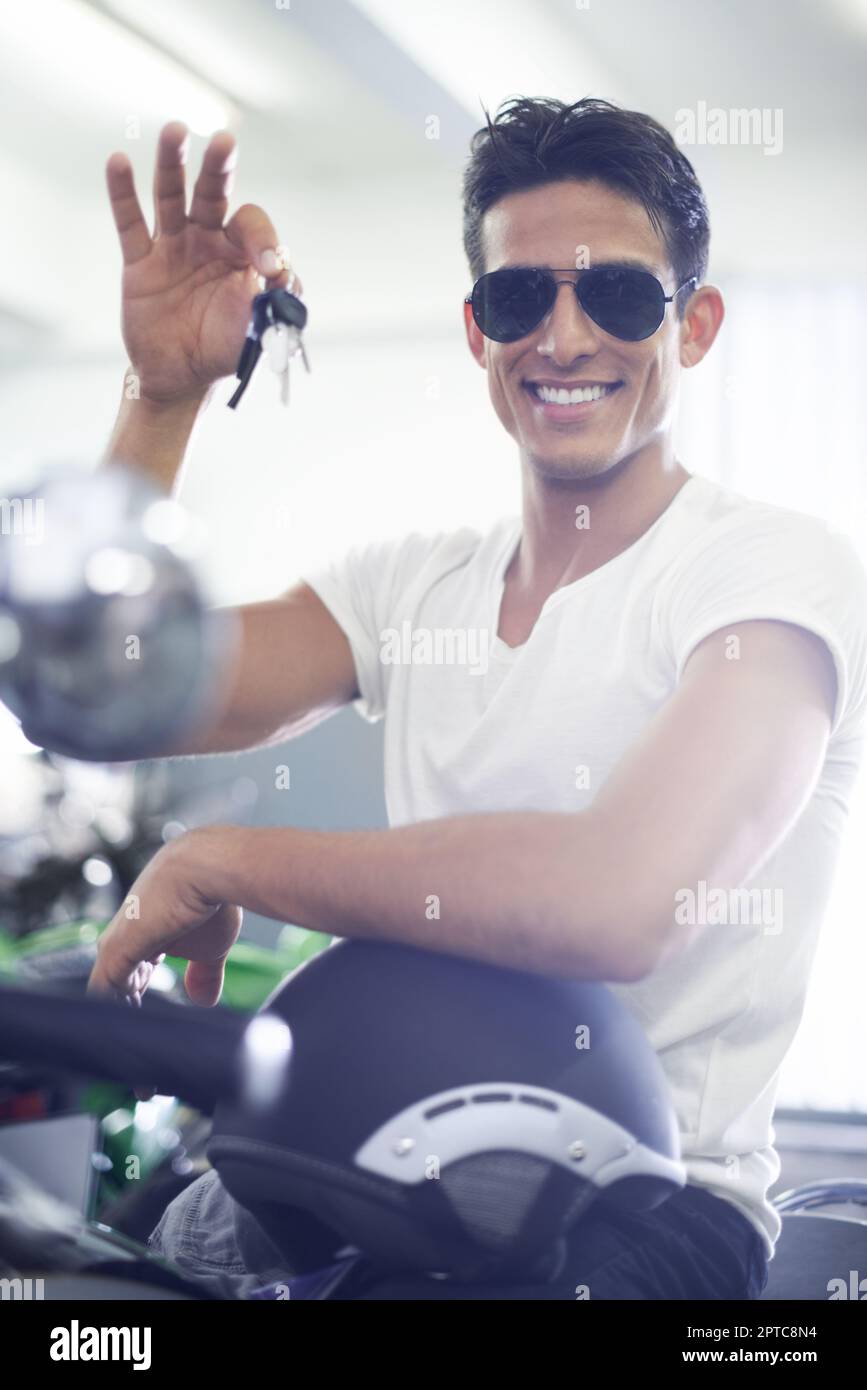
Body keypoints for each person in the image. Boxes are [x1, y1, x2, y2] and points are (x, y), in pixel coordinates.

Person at [84, 99, 867, 1299]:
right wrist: (160, 400)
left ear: (693, 324)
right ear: (475, 330)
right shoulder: (411, 583)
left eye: (617, 296)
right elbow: (103, 695)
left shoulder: (766, 573)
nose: (562, 337)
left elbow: (617, 903)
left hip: (644, 1216)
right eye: (519, 298)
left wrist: (229, 857)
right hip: (374, 1162)